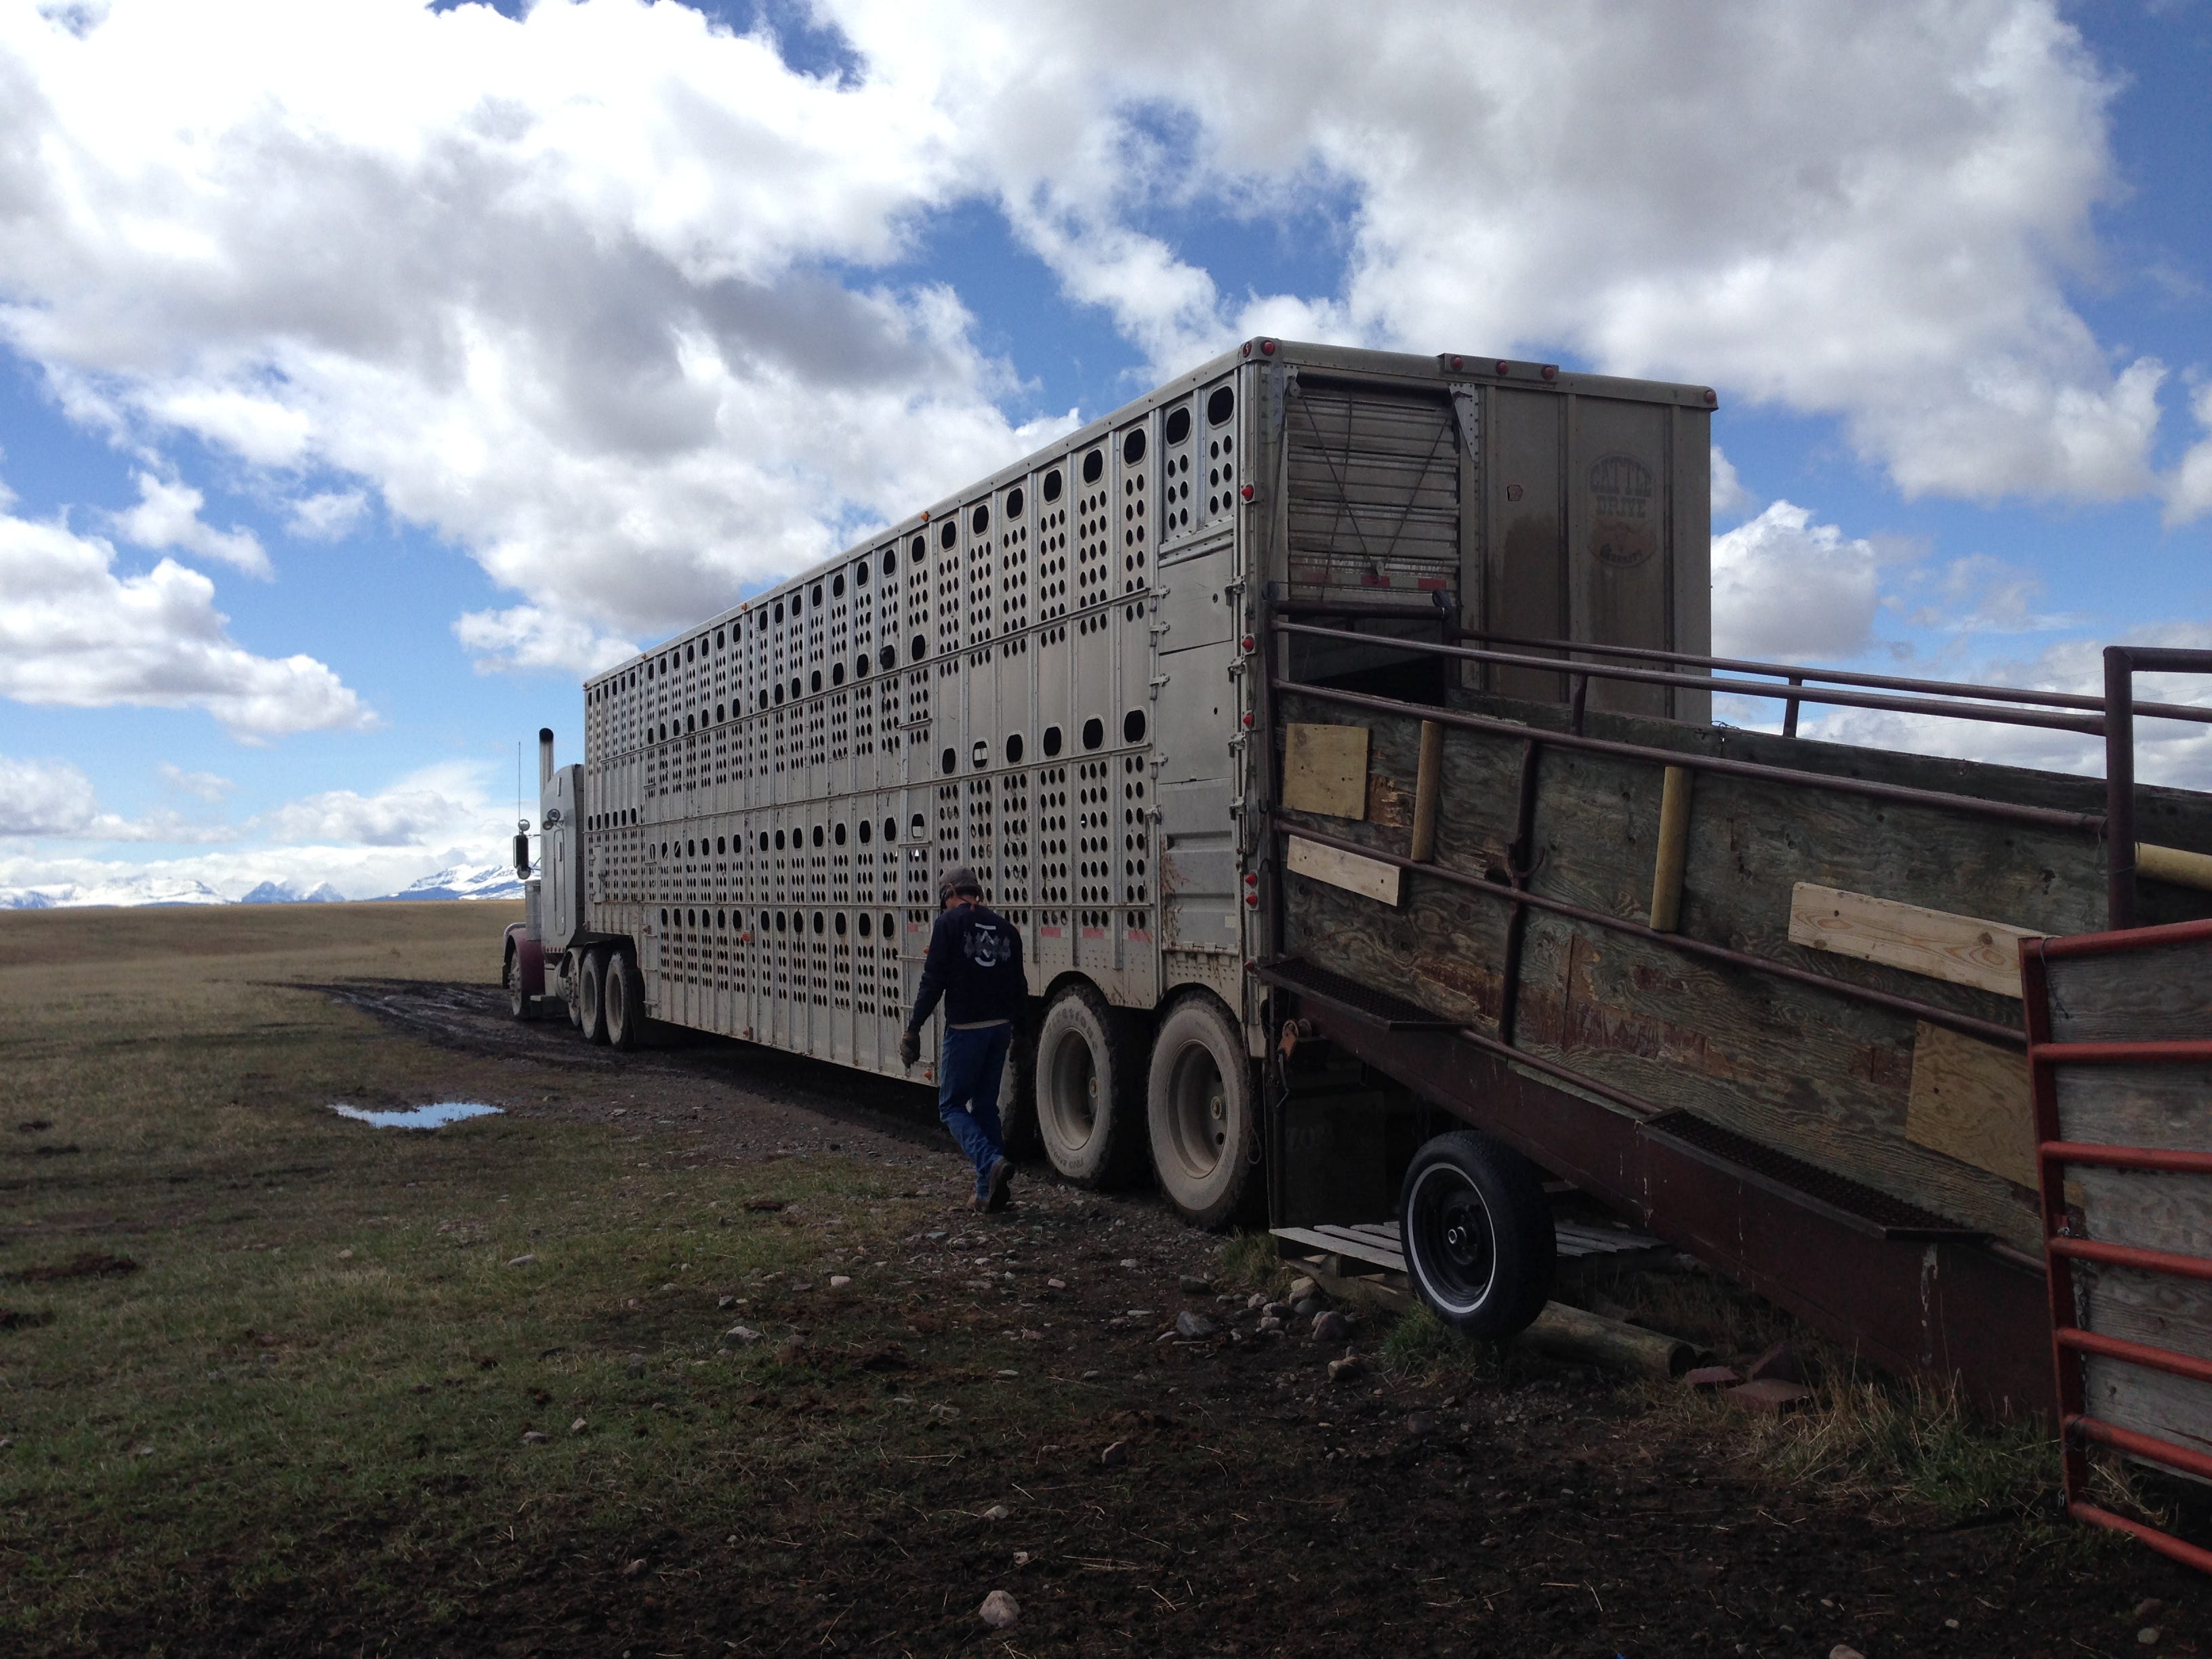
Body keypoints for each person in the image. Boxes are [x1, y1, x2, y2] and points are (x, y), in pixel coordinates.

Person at [899, 866, 1026, 1212]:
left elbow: (933, 981)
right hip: (1000, 1027)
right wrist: (1021, 1034)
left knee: (951, 1106)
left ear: (950, 891)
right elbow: (1020, 988)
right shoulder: (1006, 930)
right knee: (985, 1106)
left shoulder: (948, 924)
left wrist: (914, 1027)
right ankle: (988, 1193)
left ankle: (990, 1163)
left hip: (965, 1029)